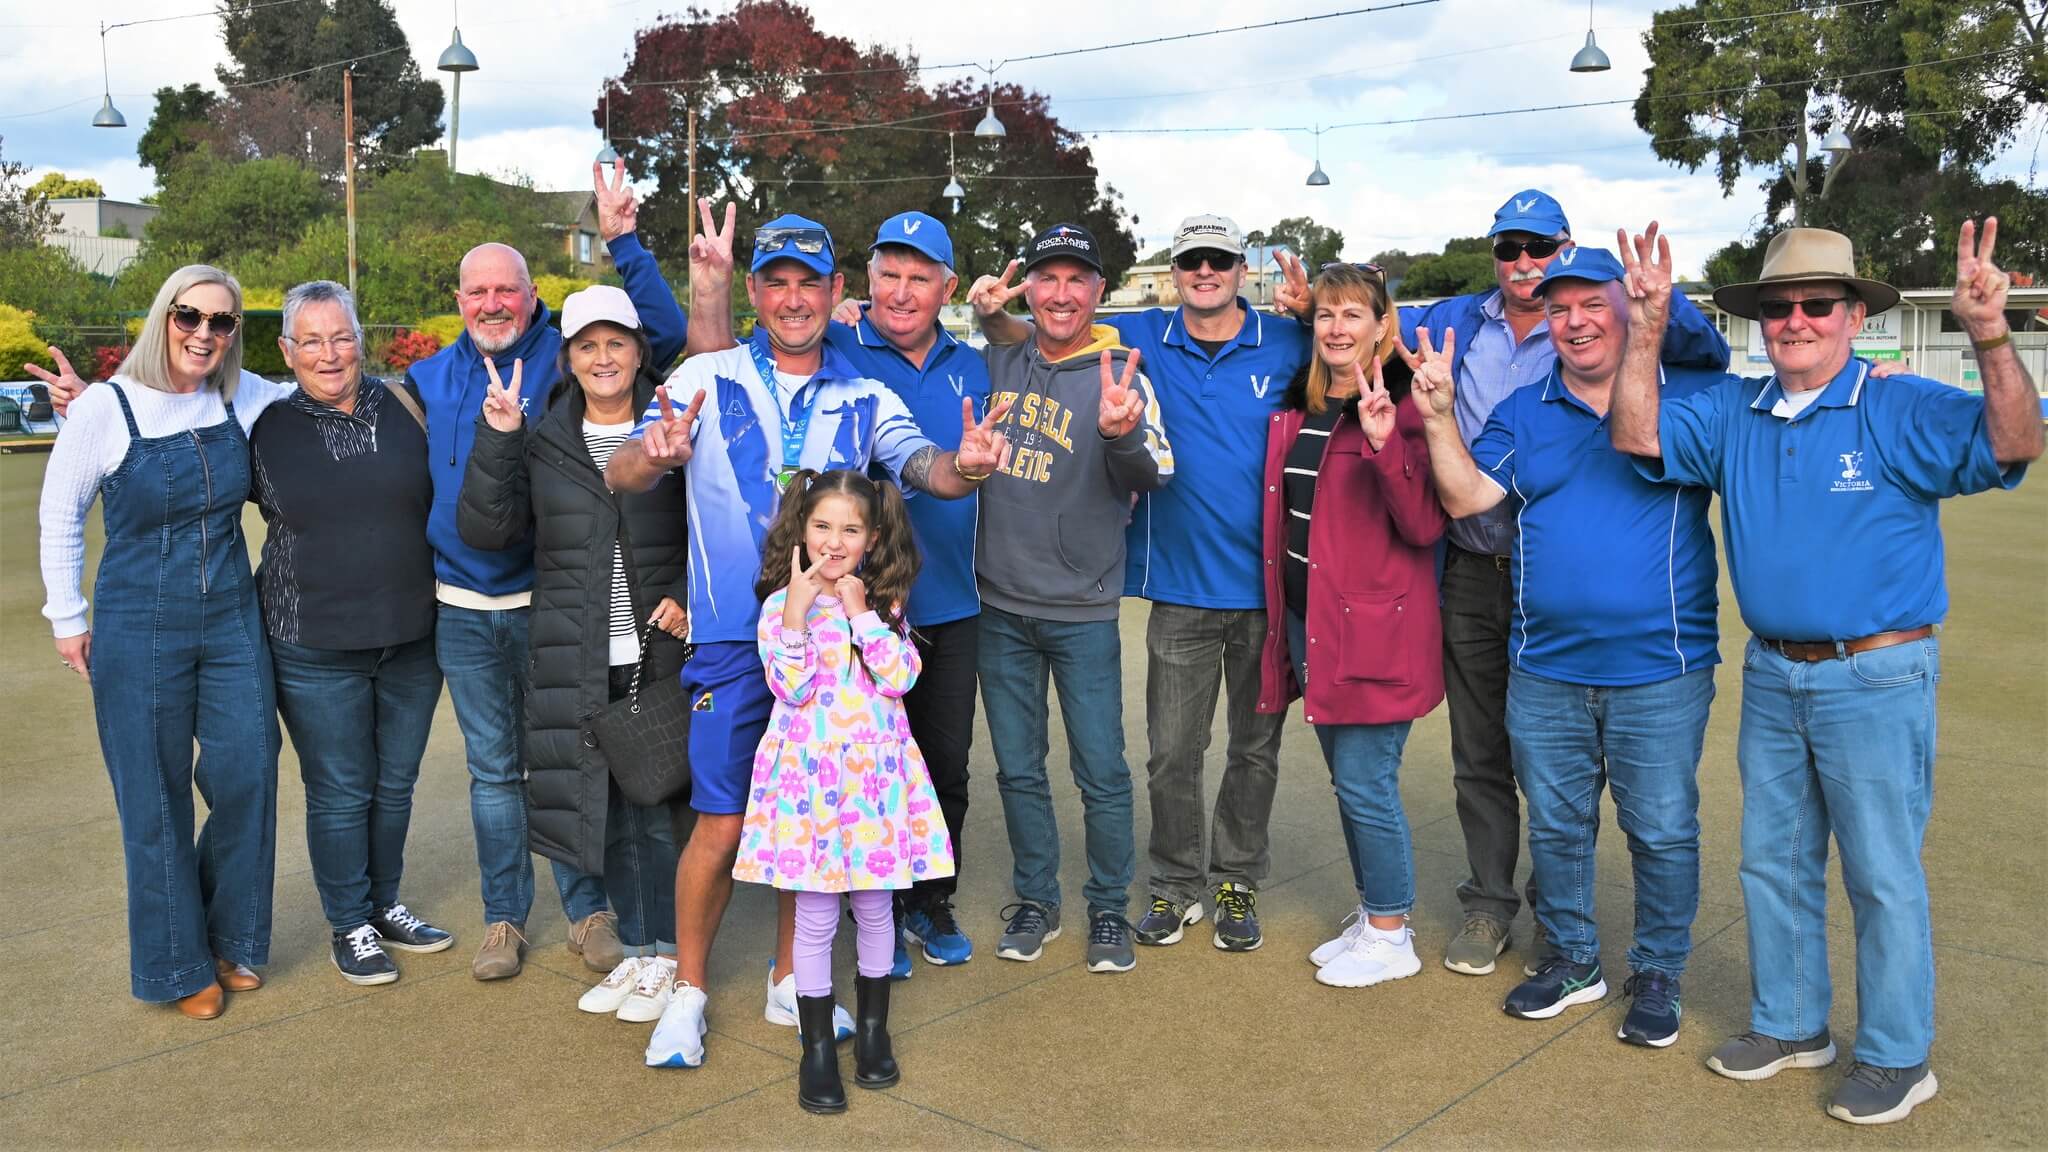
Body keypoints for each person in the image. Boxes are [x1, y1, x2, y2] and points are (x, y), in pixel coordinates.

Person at [1611, 219, 2039, 1124]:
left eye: (1815, 304)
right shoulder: (1735, 407)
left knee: (1881, 872)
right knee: (1772, 860)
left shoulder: (1895, 401)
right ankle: (1793, 1024)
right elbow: (1637, 434)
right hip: (1774, 673)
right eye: (1778, 306)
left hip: (1877, 673)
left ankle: (1897, 1054)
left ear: (1853, 316)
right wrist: (1645, 326)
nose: (1794, 320)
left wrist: (1990, 333)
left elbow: (2016, 443)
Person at [1279, 189, 1730, 977]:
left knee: (1605, 793)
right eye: (1509, 250)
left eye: (1541, 251)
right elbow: (1360, 322)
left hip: (1559, 578)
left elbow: (1704, 351)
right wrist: (1304, 311)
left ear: (1567, 252)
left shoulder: (1609, 328)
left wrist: (1652, 302)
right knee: (1482, 753)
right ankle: (1492, 907)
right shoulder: (1459, 323)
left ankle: (1590, 934)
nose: (1524, 265)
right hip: (1469, 566)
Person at [605, 214, 1007, 1069]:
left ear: (834, 295)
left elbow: (926, 465)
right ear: (753, 292)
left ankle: (794, 976)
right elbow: (627, 469)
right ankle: (690, 991)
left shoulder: (863, 394)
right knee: (720, 822)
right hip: (726, 638)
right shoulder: (705, 374)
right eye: (776, 281)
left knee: (814, 818)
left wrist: (967, 465)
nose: (793, 299)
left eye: (809, 283)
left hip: (830, 650)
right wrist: (655, 452)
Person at [402, 162, 711, 981]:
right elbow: (479, 515)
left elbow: (673, 337)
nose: (493, 304)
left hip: (579, 614)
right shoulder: (435, 379)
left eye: (508, 290)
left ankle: (616, 925)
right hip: (486, 612)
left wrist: (623, 242)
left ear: (532, 299)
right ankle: (510, 919)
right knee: (510, 773)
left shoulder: (606, 385)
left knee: (619, 776)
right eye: (477, 292)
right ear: (461, 298)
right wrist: (502, 434)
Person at [1410, 248, 1721, 1045]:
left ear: (1624, 310)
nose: (1574, 321)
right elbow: (1470, 497)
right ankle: (1575, 957)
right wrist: (1440, 417)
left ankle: (1657, 969)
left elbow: (1707, 422)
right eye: (1559, 308)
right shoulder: (1525, 406)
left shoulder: (1685, 394)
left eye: (1591, 304)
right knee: (1557, 825)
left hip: (1660, 666)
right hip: (1545, 665)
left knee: (1659, 828)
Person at [977, 214, 1300, 953]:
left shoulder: (1286, 342)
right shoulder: (1137, 340)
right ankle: (1176, 883)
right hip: (1178, 585)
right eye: (1193, 261)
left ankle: (1235, 883)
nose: (1207, 271)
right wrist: (995, 317)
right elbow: (1043, 338)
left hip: (1268, 590)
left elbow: (1353, 365)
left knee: (1252, 753)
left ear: (1241, 268)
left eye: (1221, 259)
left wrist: (1321, 312)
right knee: (1169, 754)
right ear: (1175, 271)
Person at [37, 265, 297, 1018]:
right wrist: (67, 618)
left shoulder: (242, 397)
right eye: (190, 317)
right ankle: (176, 965)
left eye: (222, 322)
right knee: (153, 796)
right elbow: (61, 514)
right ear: (164, 318)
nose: (204, 334)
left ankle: (231, 936)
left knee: (250, 771)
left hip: (230, 622)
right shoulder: (105, 410)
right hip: (136, 620)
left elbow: (319, 388)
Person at [457, 285, 691, 1021]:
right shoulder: (543, 438)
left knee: (660, 806)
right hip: (579, 651)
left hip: (659, 651)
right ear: (568, 357)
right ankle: (640, 952)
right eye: (587, 345)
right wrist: (498, 435)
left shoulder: (675, 426)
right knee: (608, 809)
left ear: (637, 351)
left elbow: (719, 522)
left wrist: (687, 587)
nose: (603, 358)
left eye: (616, 342)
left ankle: (669, 954)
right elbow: (488, 532)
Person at [968, 223, 1173, 975]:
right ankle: (1035, 899)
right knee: (1018, 767)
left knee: (1100, 768)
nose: (1060, 294)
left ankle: (1109, 908)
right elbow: (996, 324)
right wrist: (991, 313)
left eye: (1075, 279)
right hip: (999, 602)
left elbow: (1154, 472)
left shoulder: (1122, 372)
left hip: (1082, 607)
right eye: (1047, 278)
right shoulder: (1005, 353)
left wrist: (1120, 435)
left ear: (1097, 290)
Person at [251, 280, 451, 986]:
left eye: (341, 336)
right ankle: (351, 923)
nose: (329, 353)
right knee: (341, 788)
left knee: (395, 784)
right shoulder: (263, 424)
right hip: (311, 643)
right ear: (286, 350)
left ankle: (384, 903)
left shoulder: (410, 405)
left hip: (412, 635)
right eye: (311, 340)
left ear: (361, 339)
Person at [737, 469, 955, 1114]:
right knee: (815, 917)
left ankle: (872, 1033)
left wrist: (862, 615)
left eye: (850, 530)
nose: (834, 542)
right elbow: (791, 689)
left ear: (872, 537)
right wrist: (800, 615)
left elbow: (899, 678)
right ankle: (817, 1051)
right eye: (822, 526)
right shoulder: (781, 605)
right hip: (810, 784)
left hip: (874, 783)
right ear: (800, 530)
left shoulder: (883, 601)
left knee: (876, 909)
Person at [1252, 263, 1444, 988]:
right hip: (1315, 622)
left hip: (1375, 630)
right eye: (1326, 315)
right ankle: (1375, 912)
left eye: (1353, 316)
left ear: (1382, 328)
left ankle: (1393, 931)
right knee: (1349, 780)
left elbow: (1425, 522)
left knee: (1368, 783)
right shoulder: (1305, 406)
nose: (1337, 328)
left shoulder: (1405, 406)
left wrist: (1388, 443)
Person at [825, 213, 990, 972]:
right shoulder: (836, 344)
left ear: (947, 288)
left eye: (920, 276)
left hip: (951, 602)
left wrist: (1004, 316)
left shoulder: (976, 361)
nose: (901, 290)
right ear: (865, 281)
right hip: (862, 612)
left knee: (943, 766)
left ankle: (930, 900)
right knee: (867, 768)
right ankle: (877, 911)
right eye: (888, 274)